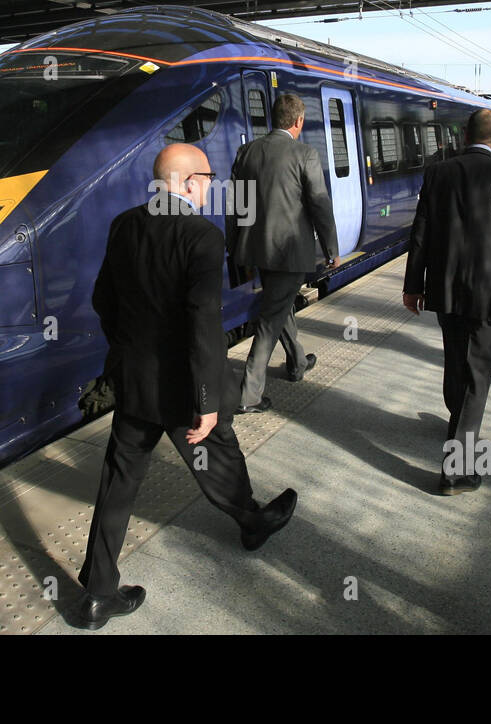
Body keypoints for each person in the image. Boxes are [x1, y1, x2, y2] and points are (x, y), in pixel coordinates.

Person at [75, 143, 298, 630]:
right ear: (189, 182)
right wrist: (206, 400)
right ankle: (253, 522)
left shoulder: (125, 225)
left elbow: (102, 299)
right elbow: (202, 322)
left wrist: (129, 353)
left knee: (118, 481)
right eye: (209, 180)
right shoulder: (201, 235)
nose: (212, 188)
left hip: (135, 385)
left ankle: (97, 595)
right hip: (184, 389)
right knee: (217, 454)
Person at [402, 109, 491, 495]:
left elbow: (420, 235)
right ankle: (455, 471)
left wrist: (413, 286)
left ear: (465, 135)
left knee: (458, 362)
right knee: (476, 378)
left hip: (447, 289)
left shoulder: (439, 173)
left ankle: (457, 422)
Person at [227, 93, 339, 414]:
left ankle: (297, 363)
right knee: (269, 321)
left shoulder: (247, 152)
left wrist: (235, 248)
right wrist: (331, 249)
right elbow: (319, 202)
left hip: (256, 251)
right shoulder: (304, 154)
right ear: (298, 121)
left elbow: (236, 206)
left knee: (281, 305)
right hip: (290, 254)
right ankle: (249, 395)